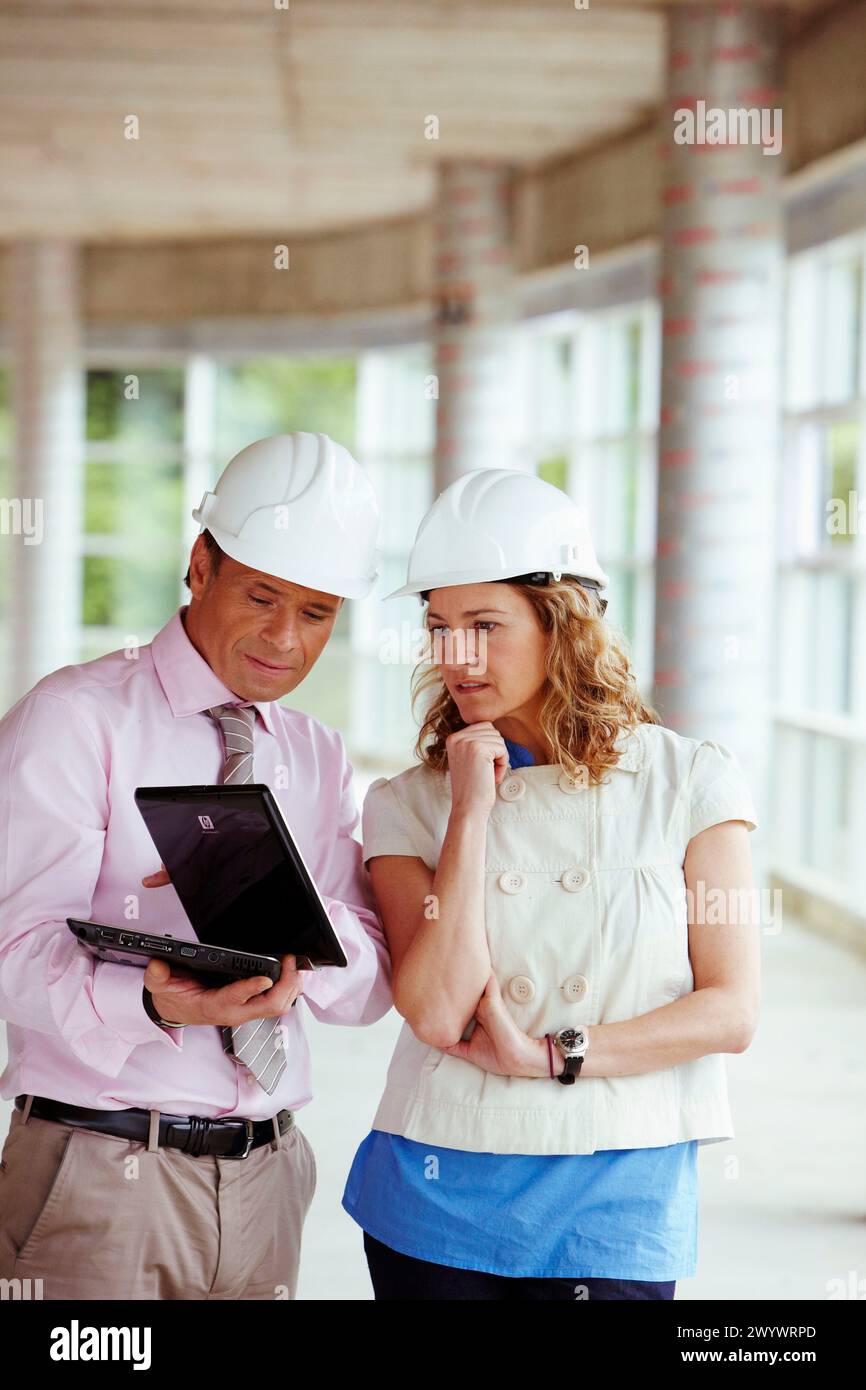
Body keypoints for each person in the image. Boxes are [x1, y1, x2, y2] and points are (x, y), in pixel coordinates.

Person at [342, 467, 761, 1301]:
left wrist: (552, 1057)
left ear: (562, 623)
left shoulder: (693, 783)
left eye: (486, 624)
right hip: (436, 1187)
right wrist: (470, 812)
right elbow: (432, 1008)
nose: (456, 656)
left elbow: (732, 1011)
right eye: (439, 627)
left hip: (620, 1193)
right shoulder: (405, 805)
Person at [0, 431, 393, 1300]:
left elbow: (367, 987)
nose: (285, 640)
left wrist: (301, 929)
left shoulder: (319, 756)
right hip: (100, 1174)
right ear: (201, 564)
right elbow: (10, 955)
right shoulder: (75, 720)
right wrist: (150, 997)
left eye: (319, 613)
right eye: (262, 597)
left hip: (269, 1177)